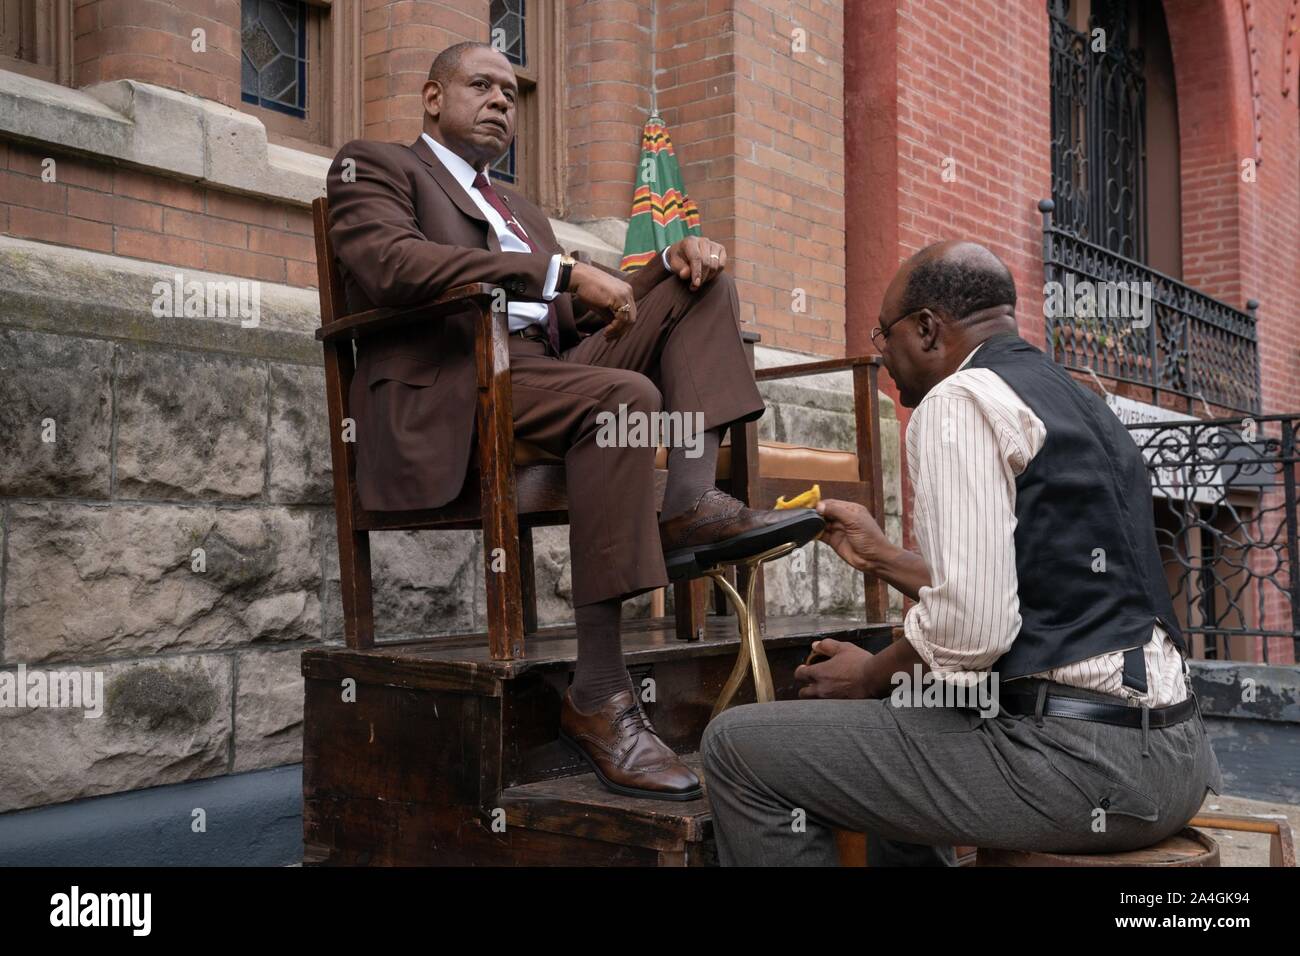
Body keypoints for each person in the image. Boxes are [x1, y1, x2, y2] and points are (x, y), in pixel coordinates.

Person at [325, 42, 821, 802]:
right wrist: (556, 272)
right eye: (480, 86)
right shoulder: (375, 167)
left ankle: (688, 502)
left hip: (540, 367)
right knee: (623, 399)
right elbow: (393, 266)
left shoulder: (520, 208)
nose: (501, 100)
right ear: (431, 99)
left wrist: (654, 270)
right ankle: (599, 694)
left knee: (702, 283)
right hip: (452, 381)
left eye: (510, 91)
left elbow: (560, 319)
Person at [701, 240, 1223, 864]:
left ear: (926, 329)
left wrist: (868, 673)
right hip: (1179, 756)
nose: (879, 353)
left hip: (1089, 765)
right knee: (904, 728)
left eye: (882, 333)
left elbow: (974, 630)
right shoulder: (1079, 397)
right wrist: (884, 558)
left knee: (739, 748)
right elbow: (1036, 593)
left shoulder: (958, 402)